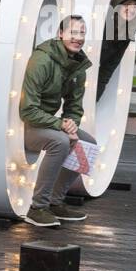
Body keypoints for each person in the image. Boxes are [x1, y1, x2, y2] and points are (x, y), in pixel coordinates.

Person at [20, 14, 96, 227]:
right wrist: (60, 125)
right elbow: (28, 110)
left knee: (87, 143)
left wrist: (71, 124)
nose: (78, 38)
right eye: (73, 32)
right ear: (60, 34)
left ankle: (55, 202)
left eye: (82, 33)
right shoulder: (42, 60)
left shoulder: (78, 64)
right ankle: (37, 208)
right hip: (24, 125)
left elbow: (74, 106)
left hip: (48, 123)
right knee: (60, 142)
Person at [96, 0, 136, 101]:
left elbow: (107, 71)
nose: (131, 10)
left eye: (135, 7)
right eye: (127, 4)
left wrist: (93, 101)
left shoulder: (126, 34)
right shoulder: (100, 24)